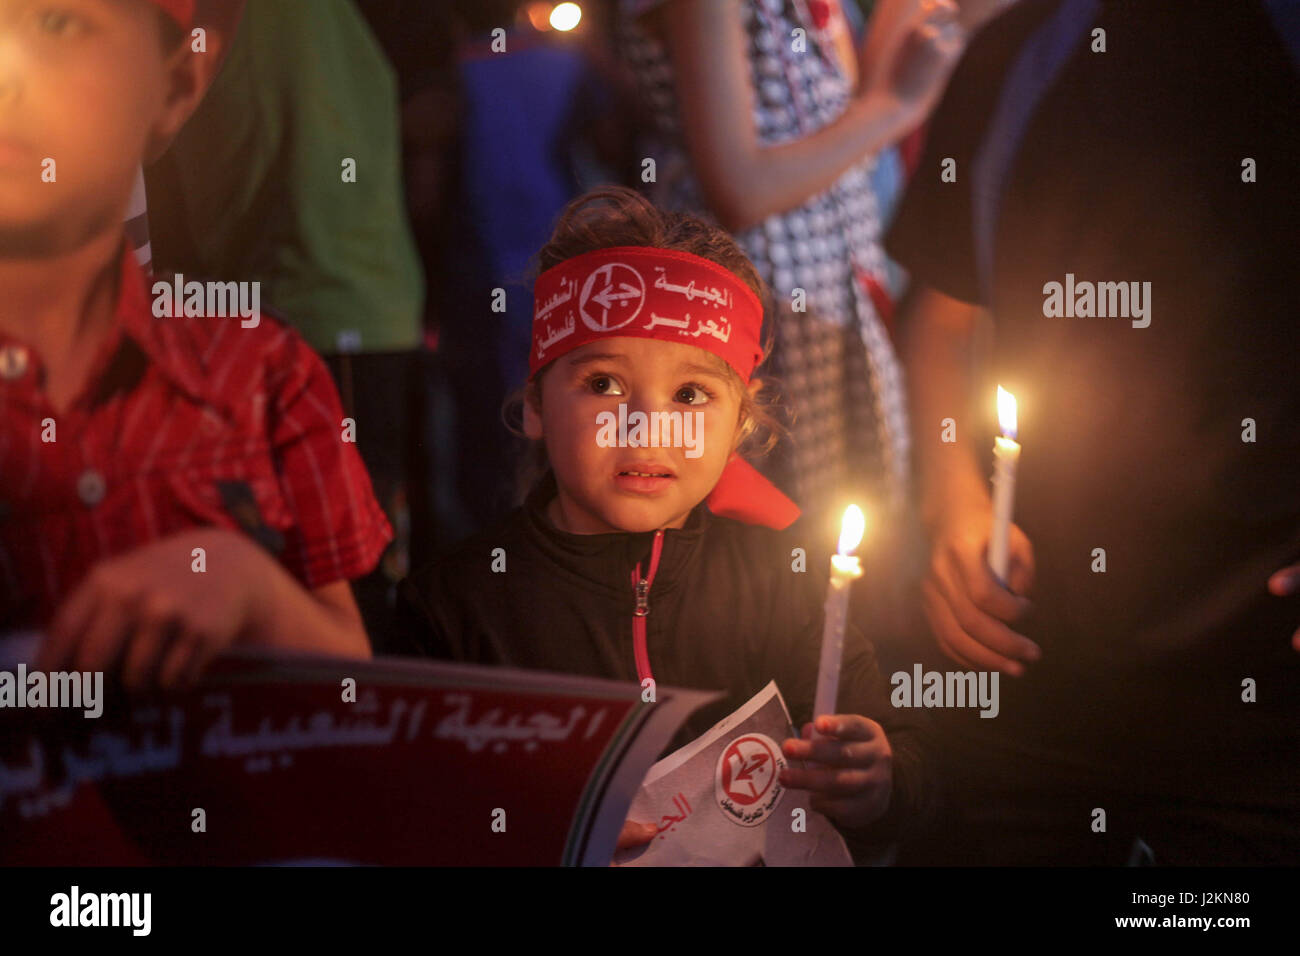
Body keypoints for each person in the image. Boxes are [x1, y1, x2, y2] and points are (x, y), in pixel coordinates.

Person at [394, 187, 934, 863]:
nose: (646, 428)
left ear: (741, 420)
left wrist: (876, 781)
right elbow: (404, 818)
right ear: (534, 402)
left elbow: (908, 771)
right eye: (604, 386)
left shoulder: (790, 583)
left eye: (690, 394)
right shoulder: (451, 609)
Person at [887, 0, 1300, 863]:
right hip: (1032, 657)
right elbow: (944, 316)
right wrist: (952, 503)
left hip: (1268, 686)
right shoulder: (1017, 51)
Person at [0, 0, 390, 687]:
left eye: (60, 24)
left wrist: (253, 588)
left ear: (178, 85)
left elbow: (351, 685)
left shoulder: (267, 374)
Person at [141, 0, 425, 640]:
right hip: (358, 303)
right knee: (355, 568)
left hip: (309, 307)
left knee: (333, 573)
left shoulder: (231, 22)